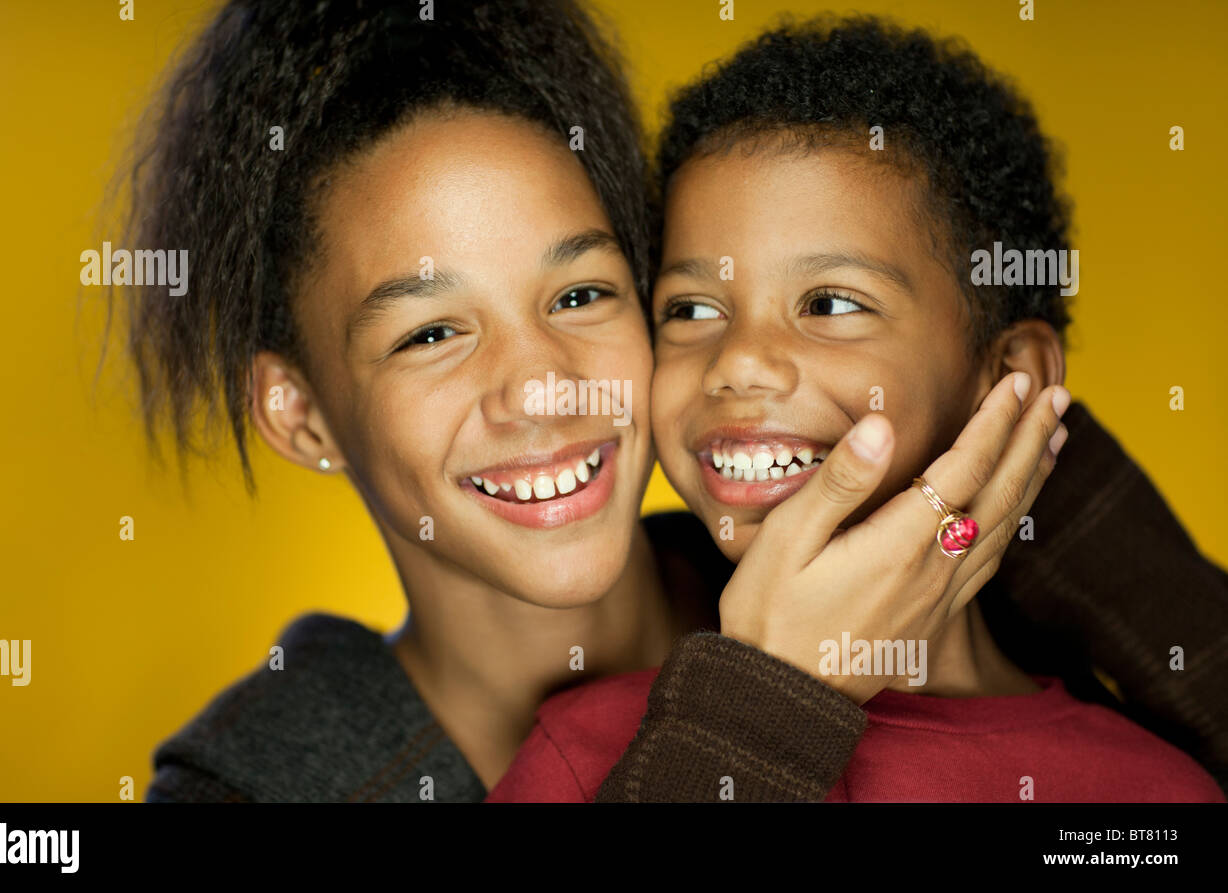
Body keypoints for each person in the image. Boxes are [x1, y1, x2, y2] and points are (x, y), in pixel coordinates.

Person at [120, 2, 1221, 803]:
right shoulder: (260, 783)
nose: (544, 382)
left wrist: (1017, 456)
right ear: (300, 412)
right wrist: (763, 701)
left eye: (583, 290)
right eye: (430, 332)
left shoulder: (905, 578)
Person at [487, 15, 1228, 803]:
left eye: (832, 302)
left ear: (1011, 372)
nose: (737, 360)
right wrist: (759, 708)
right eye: (692, 308)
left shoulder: (1150, 795)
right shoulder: (593, 753)